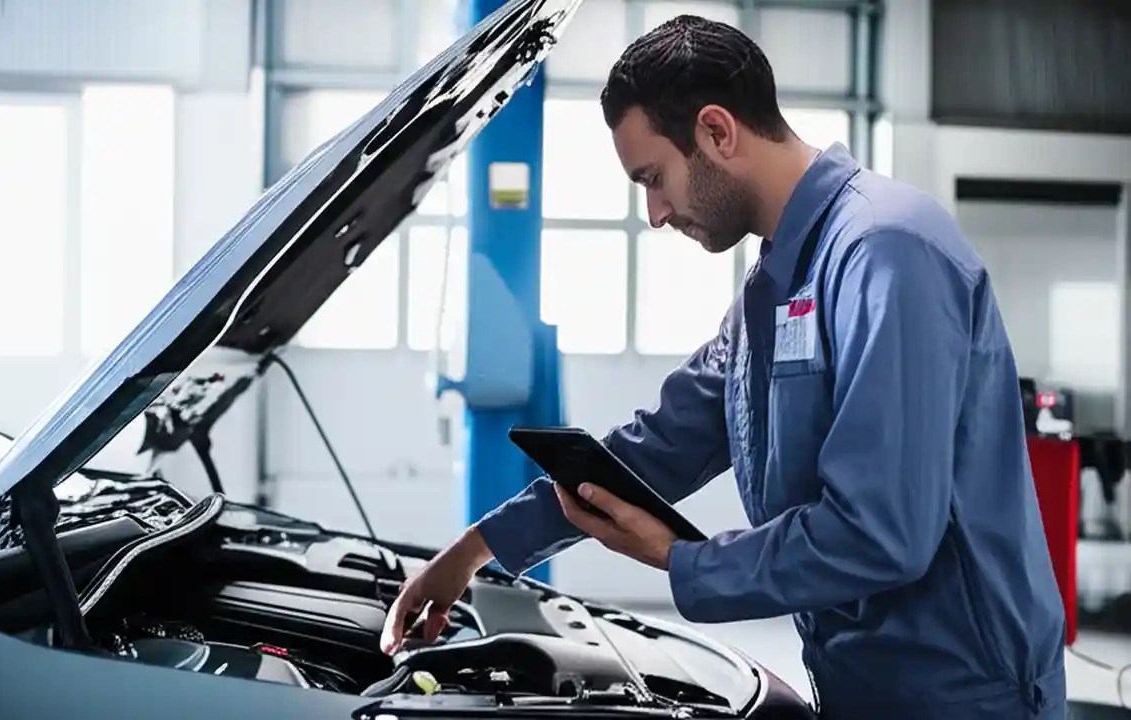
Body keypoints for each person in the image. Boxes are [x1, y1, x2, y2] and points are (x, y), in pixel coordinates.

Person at [380, 15, 1067, 719]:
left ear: (716, 132)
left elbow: (880, 532)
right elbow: (660, 445)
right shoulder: (771, 293)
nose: (653, 213)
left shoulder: (888, 253)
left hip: (962, 696)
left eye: (654, 178)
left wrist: (682, 562)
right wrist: (474, 550)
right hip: (859, 680)